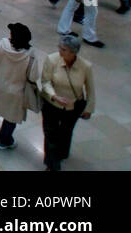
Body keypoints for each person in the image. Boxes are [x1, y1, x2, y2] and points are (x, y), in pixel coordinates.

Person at [39, 34, 94, 170]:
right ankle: (52, 164)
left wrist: (89, 109)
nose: (59, 50)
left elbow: (90, 89)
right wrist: (54, 96)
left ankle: (61, 153)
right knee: (50, 133)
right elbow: (45, 82)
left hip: (72, 107)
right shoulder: (52, 60)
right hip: (52, 104)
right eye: (60, 47)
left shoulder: (85, 67)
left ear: (73, 52)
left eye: (63, 49)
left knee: (65, 132)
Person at [0, 22, 36, 150]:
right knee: (11, 117)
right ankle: (4, 141)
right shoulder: (30, 54)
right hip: (16, 92)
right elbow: (33, 76)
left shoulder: (3, 44)